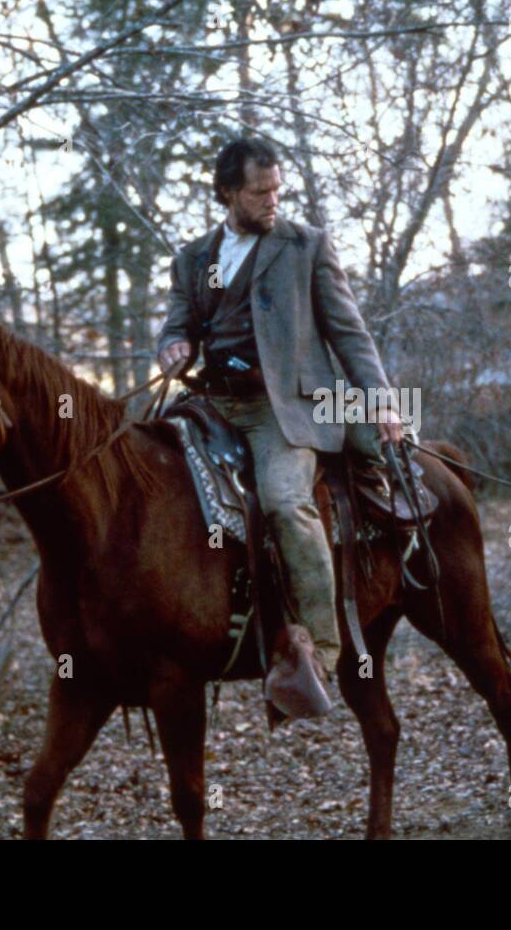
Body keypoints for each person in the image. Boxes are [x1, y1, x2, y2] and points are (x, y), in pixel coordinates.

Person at [157, 136, 402, 712]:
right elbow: (177, 323)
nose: (273, 201)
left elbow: (348, 330)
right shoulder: (193, 259)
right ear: (227, 193)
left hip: (283, 407)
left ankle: (321, 649)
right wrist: (172, 346)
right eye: (259, 192)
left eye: (276, 190)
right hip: (211, 405)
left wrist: (381, 398)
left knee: (286, 502)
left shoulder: (305, 246)